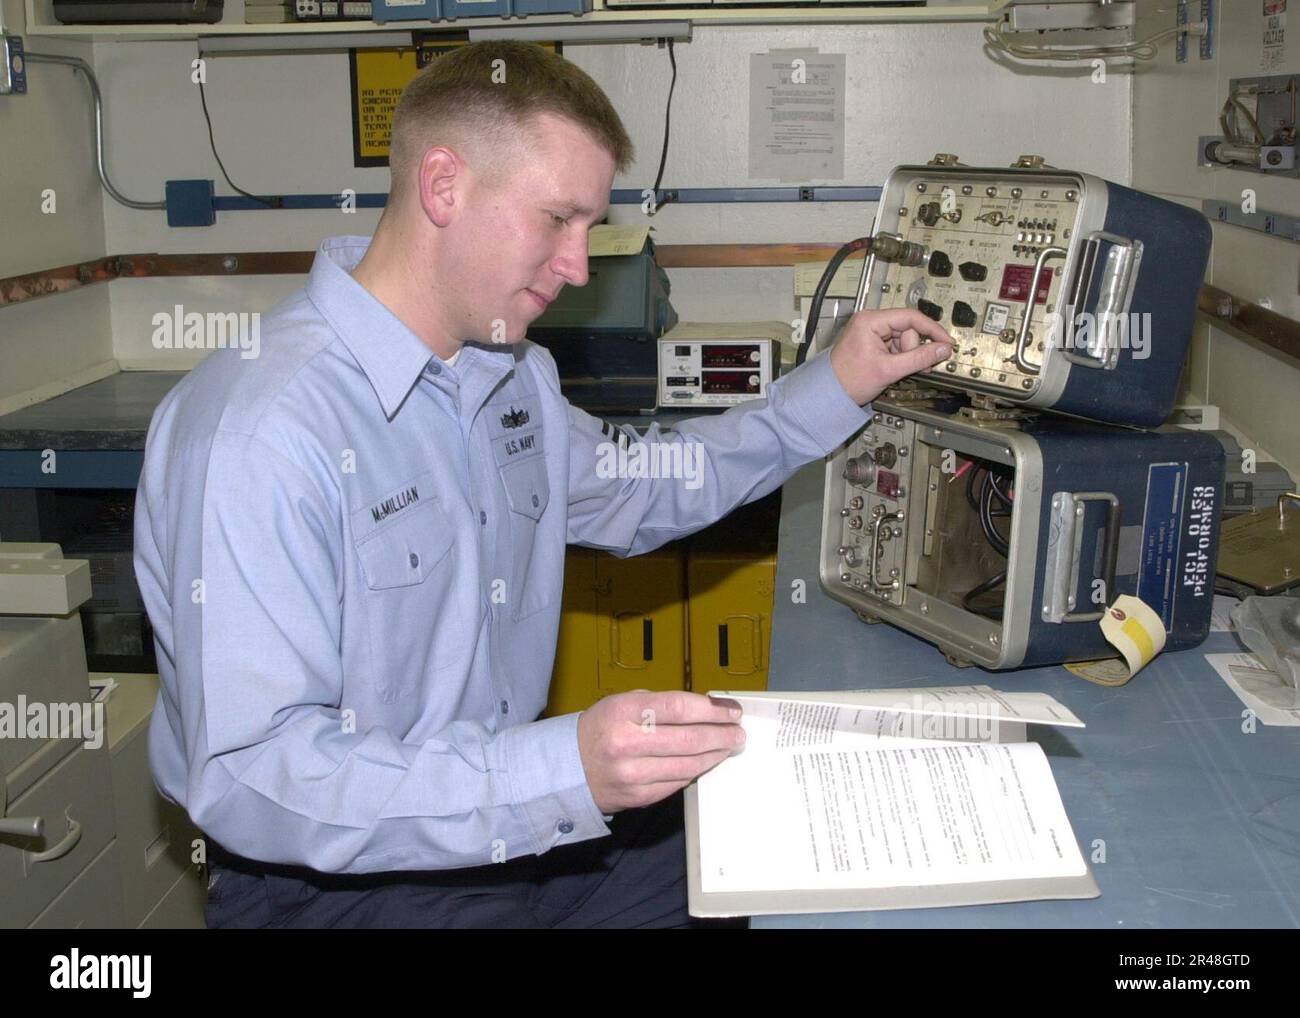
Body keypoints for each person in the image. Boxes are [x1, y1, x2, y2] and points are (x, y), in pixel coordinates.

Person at [133, 40, 954, 929]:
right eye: (558, 220)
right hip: (339, 880)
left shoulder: (506, 372)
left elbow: (645, 487)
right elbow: (253, 776)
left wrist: (835, 384)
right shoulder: (260, 430)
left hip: (512, 829)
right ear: (444, 187)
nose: (576, 265)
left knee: (764, 839)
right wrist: (561, 769)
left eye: (588, 229)